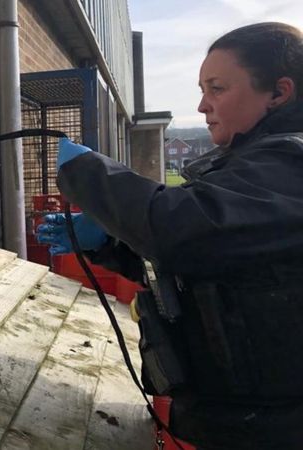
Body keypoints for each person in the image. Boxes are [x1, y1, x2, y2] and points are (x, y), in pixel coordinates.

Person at [37, 22, 303, 449]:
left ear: (279, 92)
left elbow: (183, 231)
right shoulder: (251, 164)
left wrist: (87, 173)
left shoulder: (290, 165)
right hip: (236, 422)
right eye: (203, 89)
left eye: (217, 88)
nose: (202, 105)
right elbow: (197, 271)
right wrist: (107, 243)